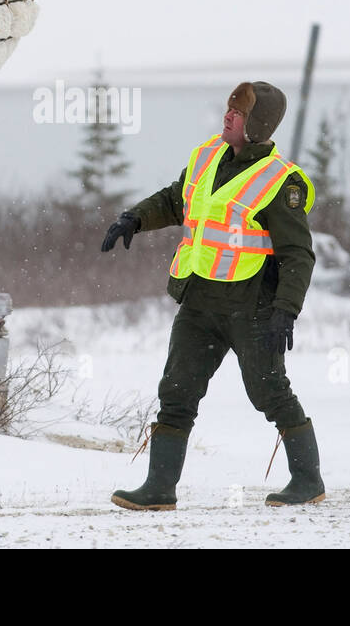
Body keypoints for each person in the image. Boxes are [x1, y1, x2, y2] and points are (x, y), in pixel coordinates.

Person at [100, 81, 321, 510]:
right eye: (228, 109)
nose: (227, 117)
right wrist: (134, 218)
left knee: (269, 393)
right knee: (176, 392)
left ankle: (308, 480)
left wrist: (285, 312)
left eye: (236, 114)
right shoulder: (207, 157)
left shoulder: (279, 181)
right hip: (199, 300)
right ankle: (159, 489)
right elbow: (175, 201)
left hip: (251, 307)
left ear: (255, 126)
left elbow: (299, 255)